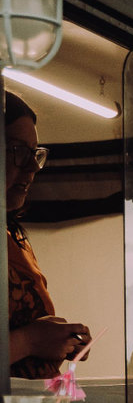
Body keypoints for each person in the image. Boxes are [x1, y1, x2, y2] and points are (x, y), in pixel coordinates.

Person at [5, 91, 92, 377]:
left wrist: (60, 340)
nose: (32, 167)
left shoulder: (13, 240)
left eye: (35, 154)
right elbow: (26, 338)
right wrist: (31, 340)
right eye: (17, 151)